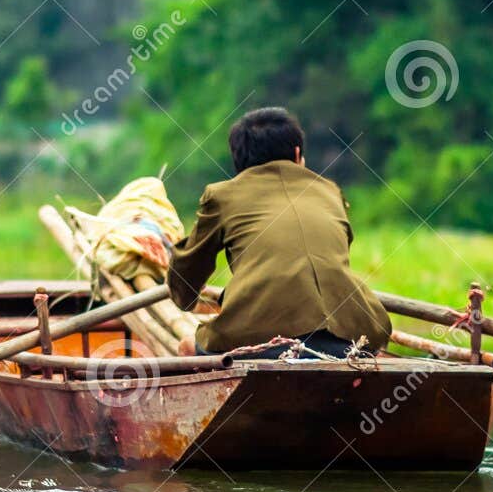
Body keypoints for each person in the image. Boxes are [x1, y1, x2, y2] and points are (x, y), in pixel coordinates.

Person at [166, 107, 392, 358]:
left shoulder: (222, 195)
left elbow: (186, 273)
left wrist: (184, 299)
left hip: (256, 340)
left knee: (187, 346)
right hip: (352, 338)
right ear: (298, 154)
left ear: (239, 160)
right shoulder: (330, 191)